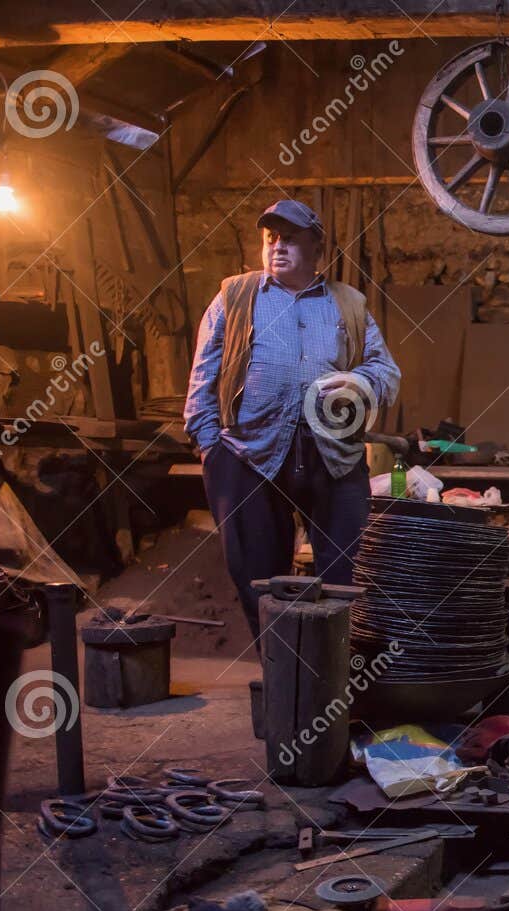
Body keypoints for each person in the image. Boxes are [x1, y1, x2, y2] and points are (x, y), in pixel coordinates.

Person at [183, 200, 400, 644]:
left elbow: (386, 371)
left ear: (317, 247)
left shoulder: (349, 304)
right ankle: (283, 677)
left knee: (348, 573)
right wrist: (211, 448)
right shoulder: (235, 296)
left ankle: (336, 675)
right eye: (270, 239)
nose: (277, 248)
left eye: (290, 240)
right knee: (258, 578)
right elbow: (202, 374)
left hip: (331, 454)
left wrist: (357, 379)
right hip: (247, 453)